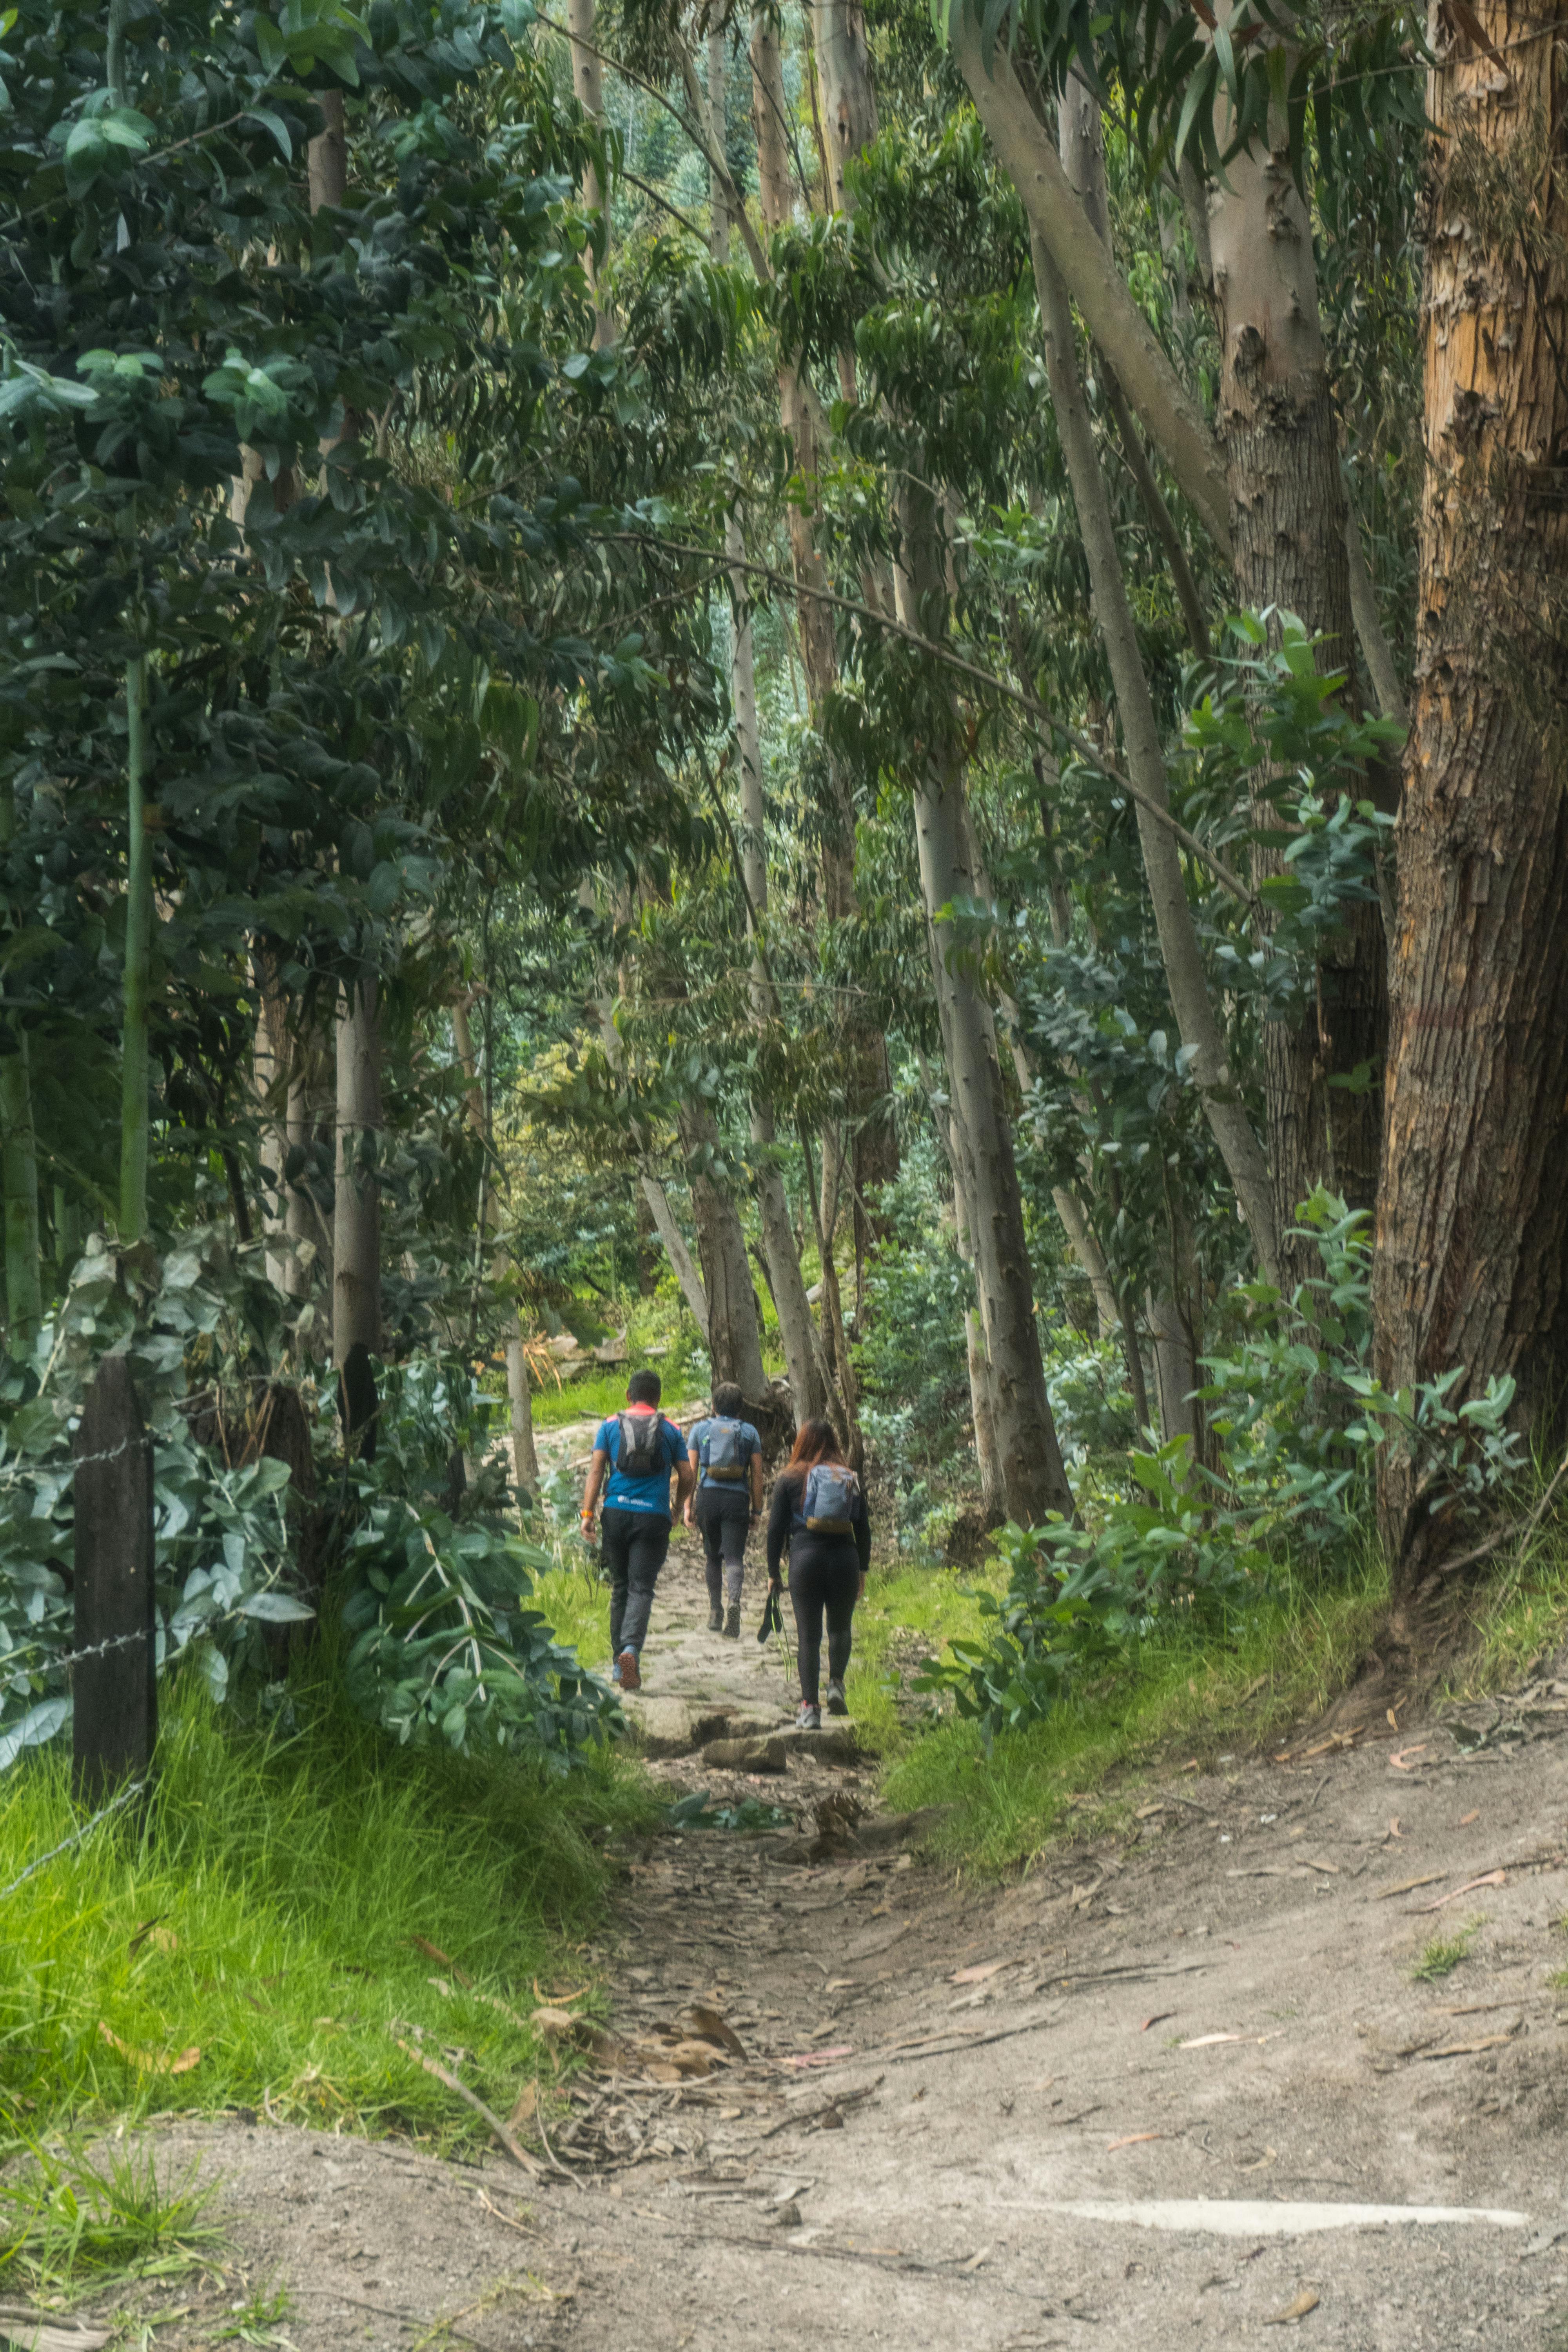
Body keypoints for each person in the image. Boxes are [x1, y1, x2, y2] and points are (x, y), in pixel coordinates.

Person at [581, 1368, 693, 1693]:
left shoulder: (609, 1425)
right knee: (641, 1588)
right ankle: (631, 1649)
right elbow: (687, 1474)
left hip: (615, 1514)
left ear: (629, 1396)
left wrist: (588, 1514)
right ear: (658, 1399)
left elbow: (596, 1470)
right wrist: (677, 1507)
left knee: (620, 1587)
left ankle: (619, 1663)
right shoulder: (670, 1429)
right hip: (653, 1517)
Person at [766, 1417, 870, 1730]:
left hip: (805, 1559)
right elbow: (863, 1529)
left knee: (809, 1637)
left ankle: (810, 1708)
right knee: (840, 1628)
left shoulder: (789, 1477)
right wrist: (862, 1568)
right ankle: (836, 1684)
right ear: (835, 1443)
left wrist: (774, 1573)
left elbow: (775, 1531)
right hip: (844, 1560)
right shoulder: (850, 1477)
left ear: (801, 1444)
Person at [683, 1383, 764, 1639]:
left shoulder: (700, 1430)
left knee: (712, 1557)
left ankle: (716, 1611)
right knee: (734, 1558)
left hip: (709, 1498)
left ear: (713, 1406)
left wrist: (688, 1506)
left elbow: (691, 1472)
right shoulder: (749, 1433)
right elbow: (758, 1477)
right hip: (737, 1499)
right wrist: (757, 1511)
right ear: (741, 1408)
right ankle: (734, 1604)